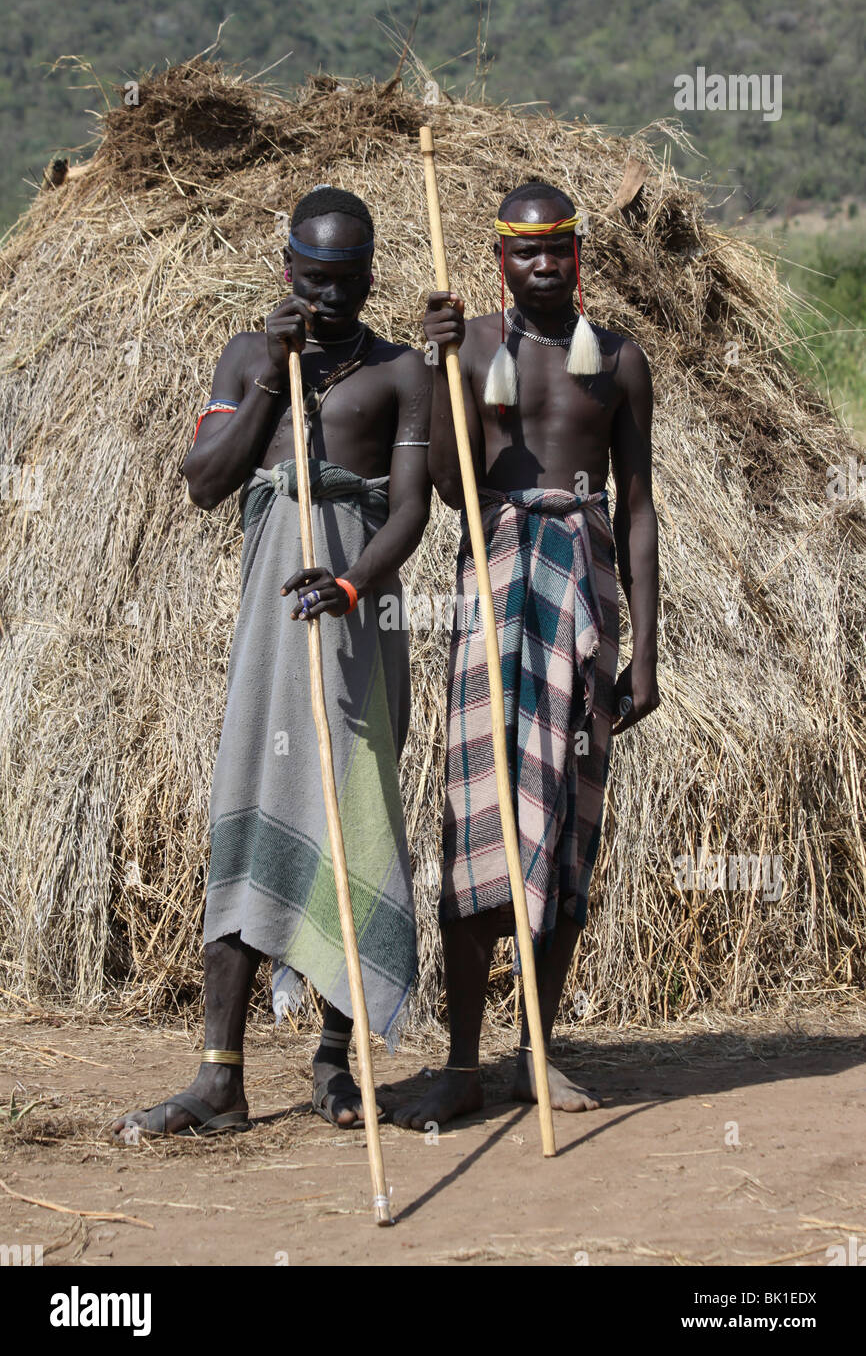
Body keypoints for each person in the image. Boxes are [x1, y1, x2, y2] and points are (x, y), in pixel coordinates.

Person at [112, 186, 431, 1137]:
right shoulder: (251, 358)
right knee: (249, 798)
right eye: (313, 280)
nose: (329, 298)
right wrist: (270, 375)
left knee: (352, 805)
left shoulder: (401, 371)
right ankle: (220, 1077)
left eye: (346, 283)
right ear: (287, 271)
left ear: (370, 277)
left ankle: (337, 1063)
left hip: (355, 617)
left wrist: (351, 583)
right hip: (268, 622)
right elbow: (207, 482)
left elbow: (412, 508)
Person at [394, 182, 659, 1130]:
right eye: (524, 251)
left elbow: (635, 508)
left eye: (559, 248)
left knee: (567, 828)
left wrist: (647, 651)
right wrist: (436, 366)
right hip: (493, 600)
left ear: (578, 253)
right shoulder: (468, 351)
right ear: (498, 257)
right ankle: (464, 1064)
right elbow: (444, 487)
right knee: (477, 823)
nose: (543, 265)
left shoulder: (620, 362)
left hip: (583, 609)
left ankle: (538, 1057)